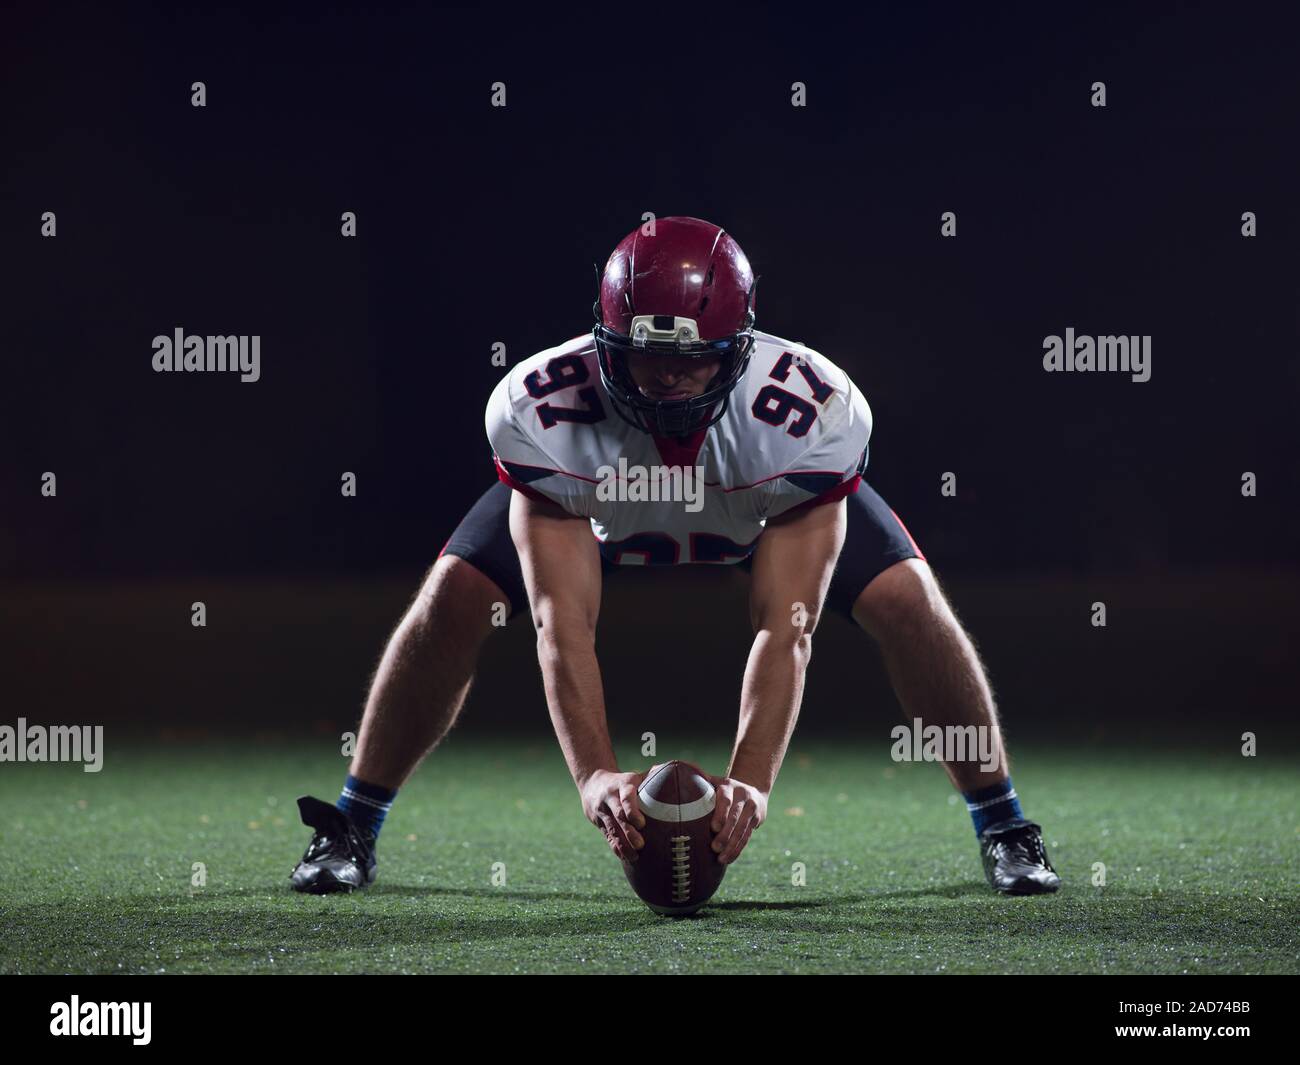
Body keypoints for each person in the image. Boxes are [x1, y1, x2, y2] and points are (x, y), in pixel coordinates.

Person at [290, 216, 1060, 897]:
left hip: (754, 504)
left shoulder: (804, 420)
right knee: (453, 596)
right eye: (645, 357)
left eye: (693, 360)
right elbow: (563, 624)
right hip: (601, 502)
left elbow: (786, 626)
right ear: (605, 341)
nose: (666, 380)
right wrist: (594, 775)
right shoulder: (547, 417)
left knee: (909, 602)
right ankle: (355, 822)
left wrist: (752, 784)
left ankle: (1003, 823)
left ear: (741, 347)